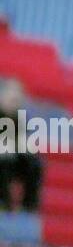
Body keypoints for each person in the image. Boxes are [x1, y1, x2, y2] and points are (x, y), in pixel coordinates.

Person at [0, 76, 43, 213]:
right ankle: (4, 203)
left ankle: (29, 206)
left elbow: (22, 140)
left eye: (18, 98)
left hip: (12, 156)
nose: (14, 100)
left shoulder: (20, 118)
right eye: (11, 97)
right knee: (5, 161)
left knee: (34, 163)